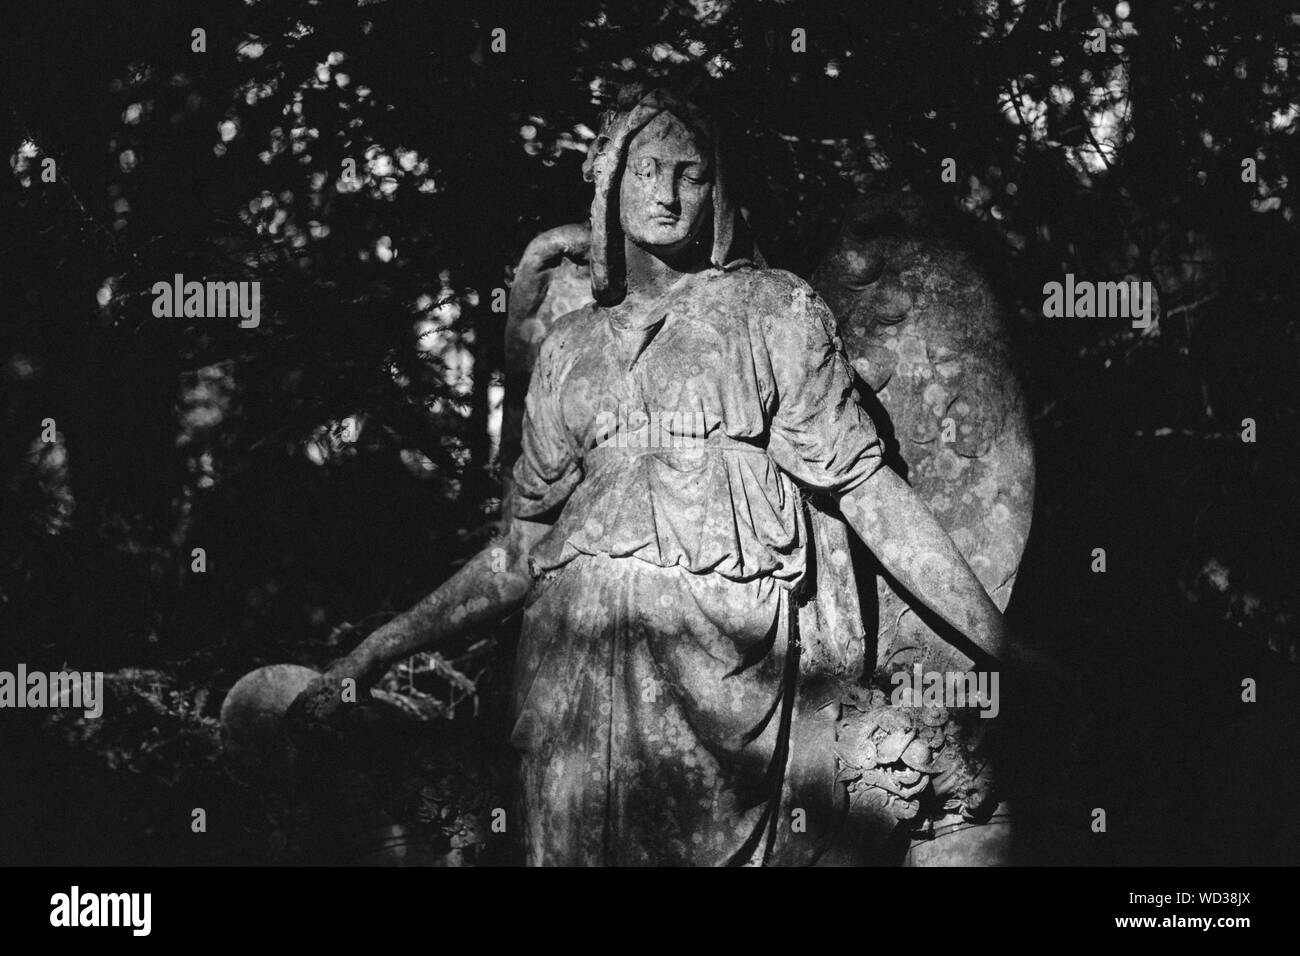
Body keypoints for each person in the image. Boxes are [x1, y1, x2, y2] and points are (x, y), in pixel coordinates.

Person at [294, 87, 1040, 866]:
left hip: (737, 683)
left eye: (692, 172)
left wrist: (996, 643)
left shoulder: (771, 308)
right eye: (646, 169)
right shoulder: (571, 350)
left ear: (719, 191)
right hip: (572, 686)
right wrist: (372, 654)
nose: (668, 192)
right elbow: (516, 557)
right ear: (610, 189)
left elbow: (867, 492)